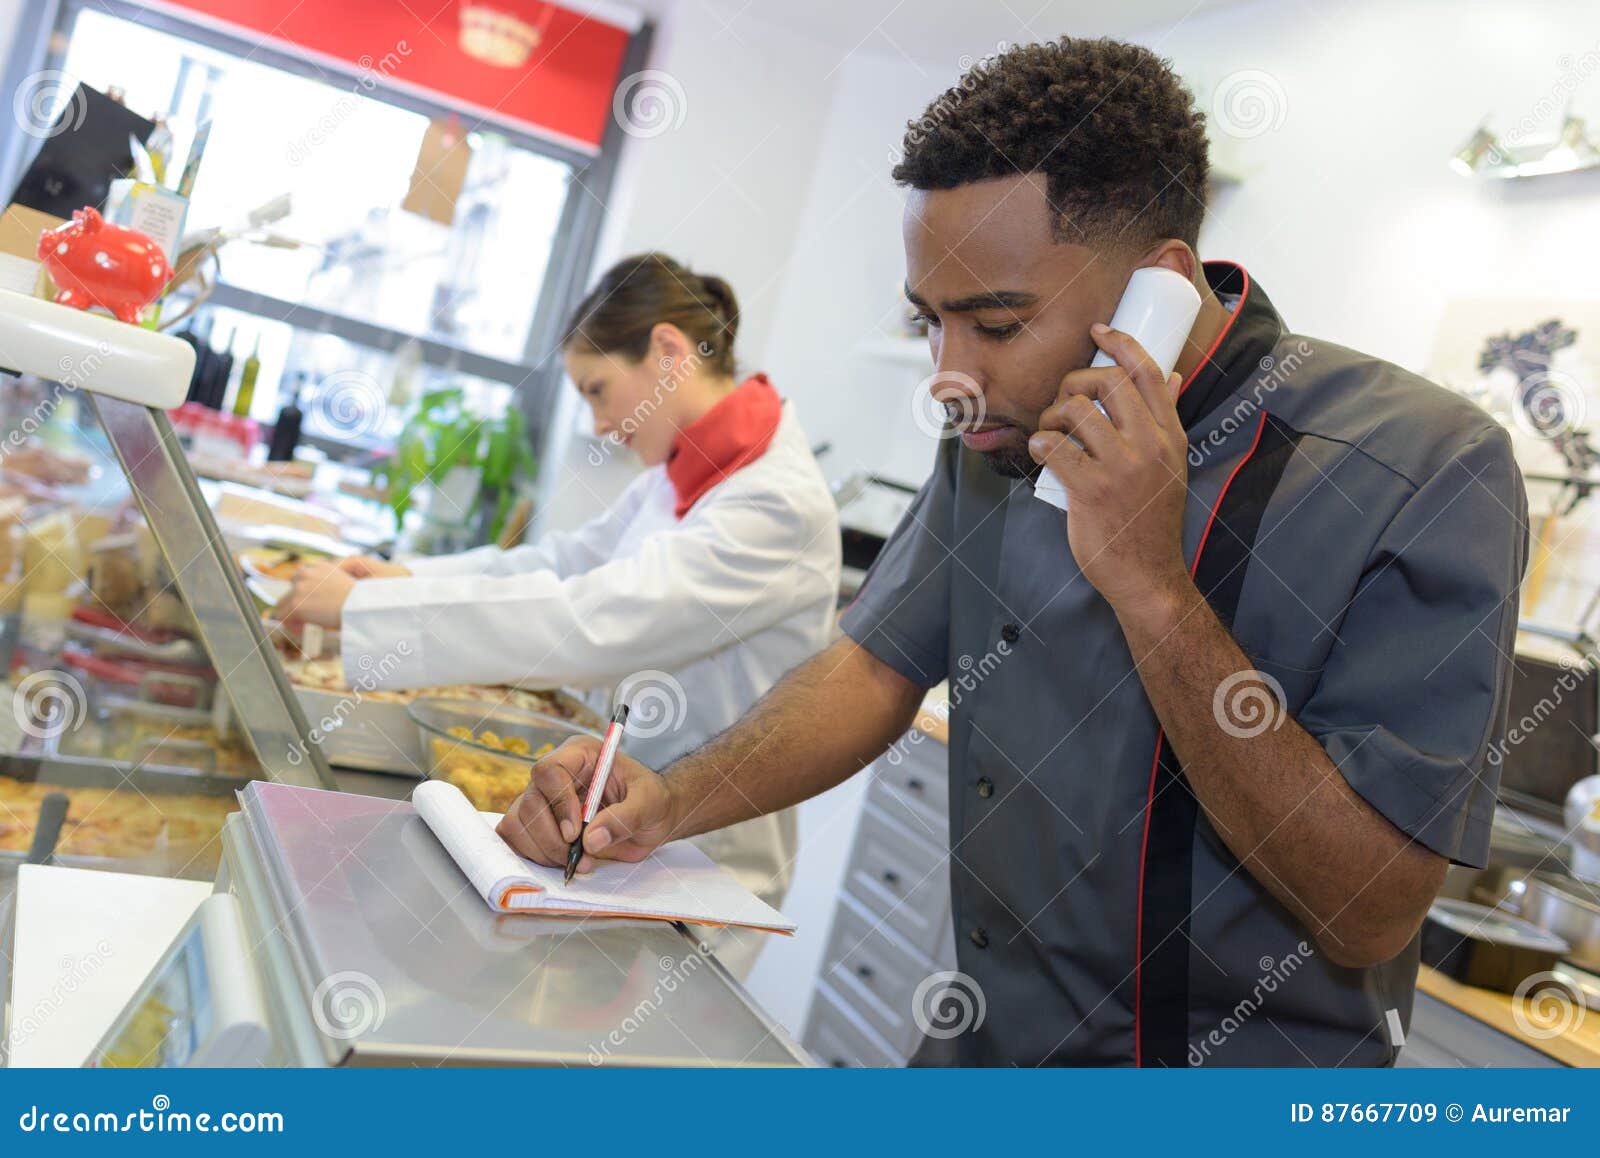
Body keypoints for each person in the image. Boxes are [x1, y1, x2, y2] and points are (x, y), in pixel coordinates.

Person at [497, 39, 1528, 1065]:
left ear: (1155, 291)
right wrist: (669, 800)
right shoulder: (994, 431)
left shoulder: (1421, 468)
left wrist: (1152, 587)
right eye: (929, 322)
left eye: (994, 322)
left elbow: (1372, 912)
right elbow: (873, 665)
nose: (949, 376)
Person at [275, 253, 842, 977]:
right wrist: (401, 575)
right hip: (621, 831)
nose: (604, 424)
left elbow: (591, 620)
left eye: (599, 391)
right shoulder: (687, 468)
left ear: (668, 352)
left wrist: (368, 607)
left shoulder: (775, 502)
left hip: (700, 867)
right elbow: (564, 562)